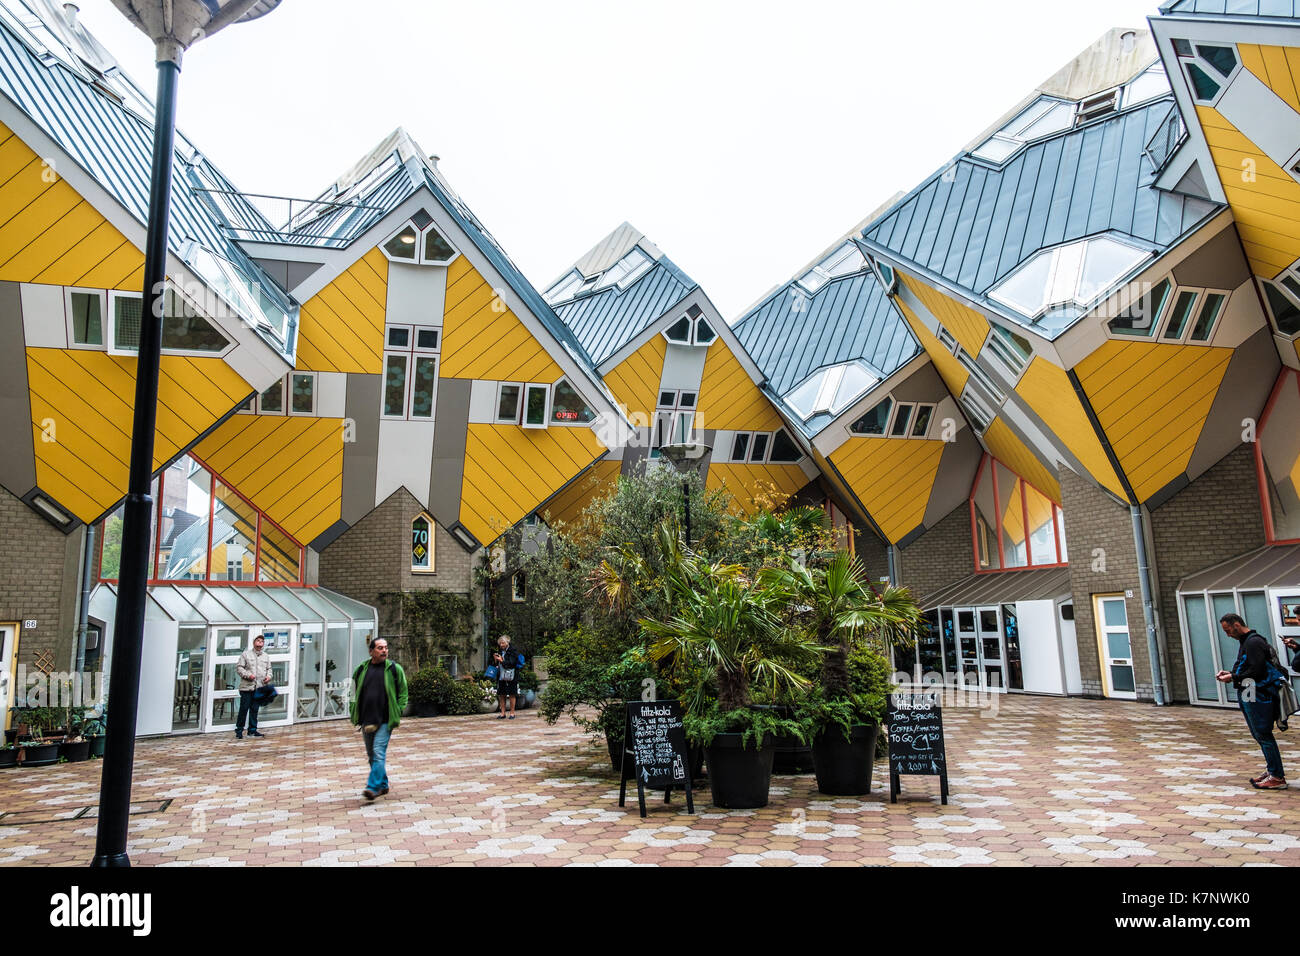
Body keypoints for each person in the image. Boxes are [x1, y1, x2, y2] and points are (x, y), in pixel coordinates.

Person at [1215, 613, 1287, 790]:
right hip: (1250, 690)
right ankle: (1273, 770)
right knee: (1258, 733)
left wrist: (1234, 677)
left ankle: (1277, 776)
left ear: (1237, 625)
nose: (1228, 635)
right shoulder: (1248, 641)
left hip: (1256, 692)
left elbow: (1257, 670)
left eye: (1228, 630)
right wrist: (1233, 675)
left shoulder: (1253, 642)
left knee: (1262, 733)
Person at [349, 638, 408, 801]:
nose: (384, 651)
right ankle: (383, 784)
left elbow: (403, 692)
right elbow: (352, 691)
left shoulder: (395, 669)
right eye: (380, 648)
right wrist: (353, 708)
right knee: (371, 755)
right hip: (367, 719)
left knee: (378, 752)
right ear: (371, 651)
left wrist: (399, 708)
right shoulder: (361, 669)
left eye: (386, 648)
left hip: (385, 720)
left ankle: (372, 787)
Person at [235, 634, 273, 740]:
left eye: (262, 641)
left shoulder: (266, 656)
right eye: (258, 641)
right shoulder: (245, 655)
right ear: (254, 642)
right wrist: (248, 675)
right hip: (247, 687)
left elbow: (269, 669)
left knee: (254, 709)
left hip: (259, 687)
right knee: (244, 709)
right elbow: (239, 668)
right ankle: (239, 730)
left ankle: (252, 730)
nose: (260, 643)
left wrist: (268, 677)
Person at [493, 635, 524, 720]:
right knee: (501, 693)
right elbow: (497, 664)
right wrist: (496, 659)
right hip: (501, 675)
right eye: (500, 643)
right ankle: (502, 713)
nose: (501, 645)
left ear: (507, 642)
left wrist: (502, 661)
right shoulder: (500, 651)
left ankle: (512, 713)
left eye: (503, 643)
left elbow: (512, 663)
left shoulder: (513, 651)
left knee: (512, 693)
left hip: (511, 674)